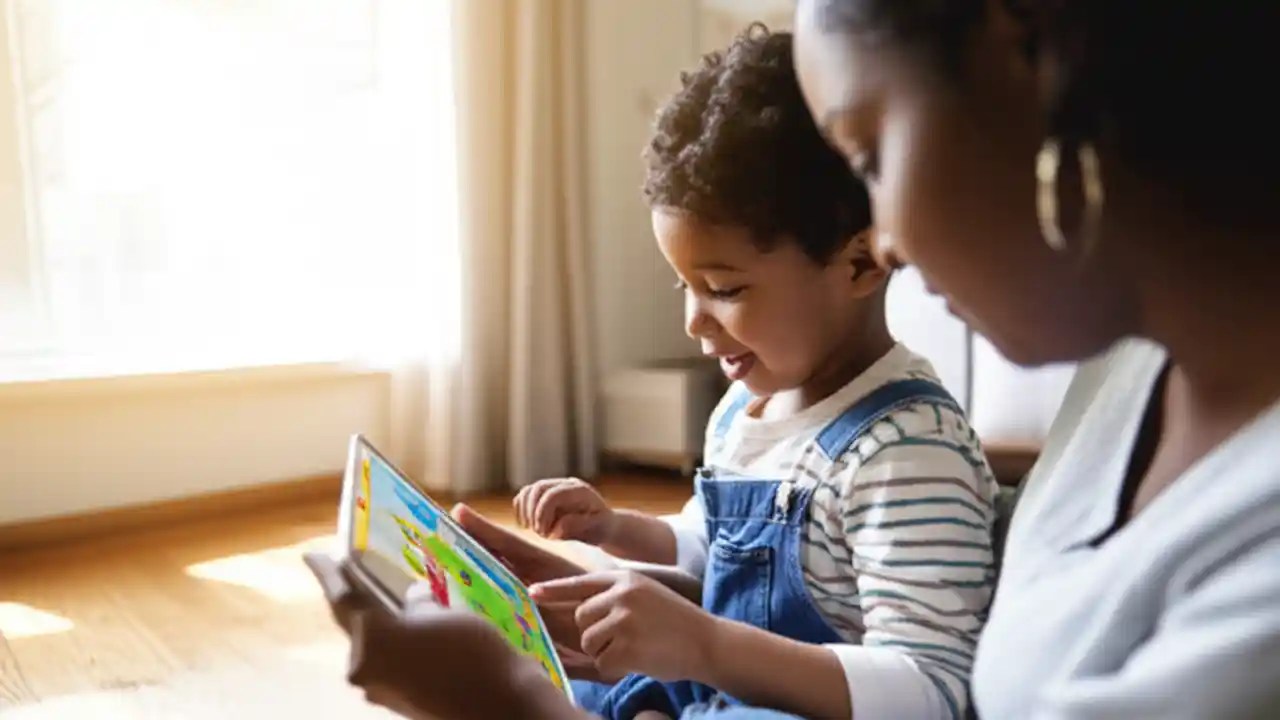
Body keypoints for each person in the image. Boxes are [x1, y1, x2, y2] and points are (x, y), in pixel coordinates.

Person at [305, 0, 1280, 717]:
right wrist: (623, 565)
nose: (882, 240)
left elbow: (927, 677)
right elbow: (730, 554)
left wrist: (515, 708)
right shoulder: (1121, 377)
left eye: (867, 153)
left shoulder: (910, 442)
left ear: (1019, 52)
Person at [510, 24, 995, 720]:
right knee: (556, 662)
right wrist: (613, 528)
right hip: (719, 682)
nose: (693, 322)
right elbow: (711, 548)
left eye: (725, 289)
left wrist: (706, 648)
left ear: (859, 264)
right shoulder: (742, 410)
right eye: (686, 287)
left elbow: (929, 689)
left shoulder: (905, 451)